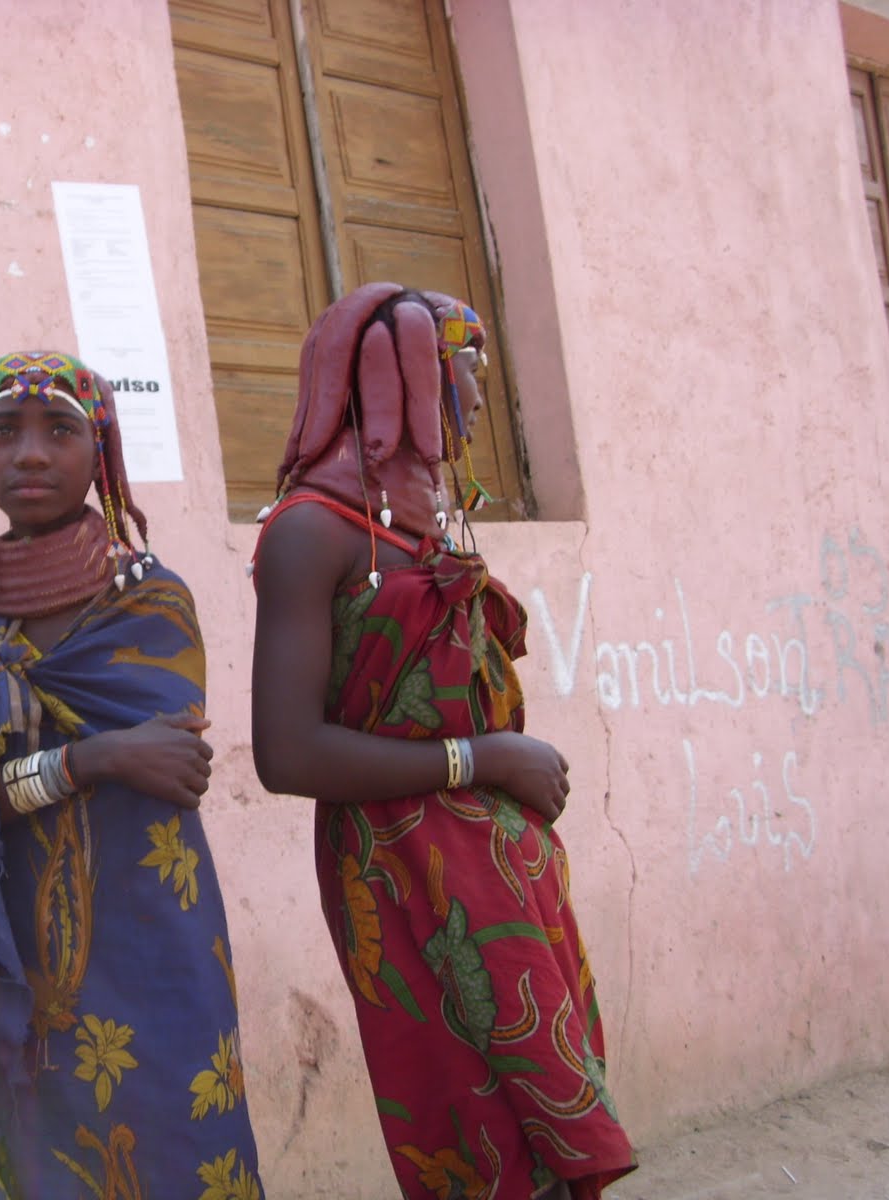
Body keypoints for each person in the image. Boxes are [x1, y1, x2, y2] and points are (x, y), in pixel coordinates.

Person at [249, 284, 636, 1199]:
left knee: (547, 1117)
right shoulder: (314, 531)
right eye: (467, 367)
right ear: (405, 373)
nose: (476, 393)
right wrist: (487, 759)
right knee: (475, 1129)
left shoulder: (423, 523)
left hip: (500, 867)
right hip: (404, 877)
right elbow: (286, 753)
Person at [0, 351, 264, 1199]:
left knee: (177, 1153)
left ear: (100, 454)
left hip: (150, 946)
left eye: (59, 430)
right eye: (3, 432)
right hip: (2, 968)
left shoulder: (152, 608)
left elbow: (173, 763)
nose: (29, 454)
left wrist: (26, 772)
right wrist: (91, 759)